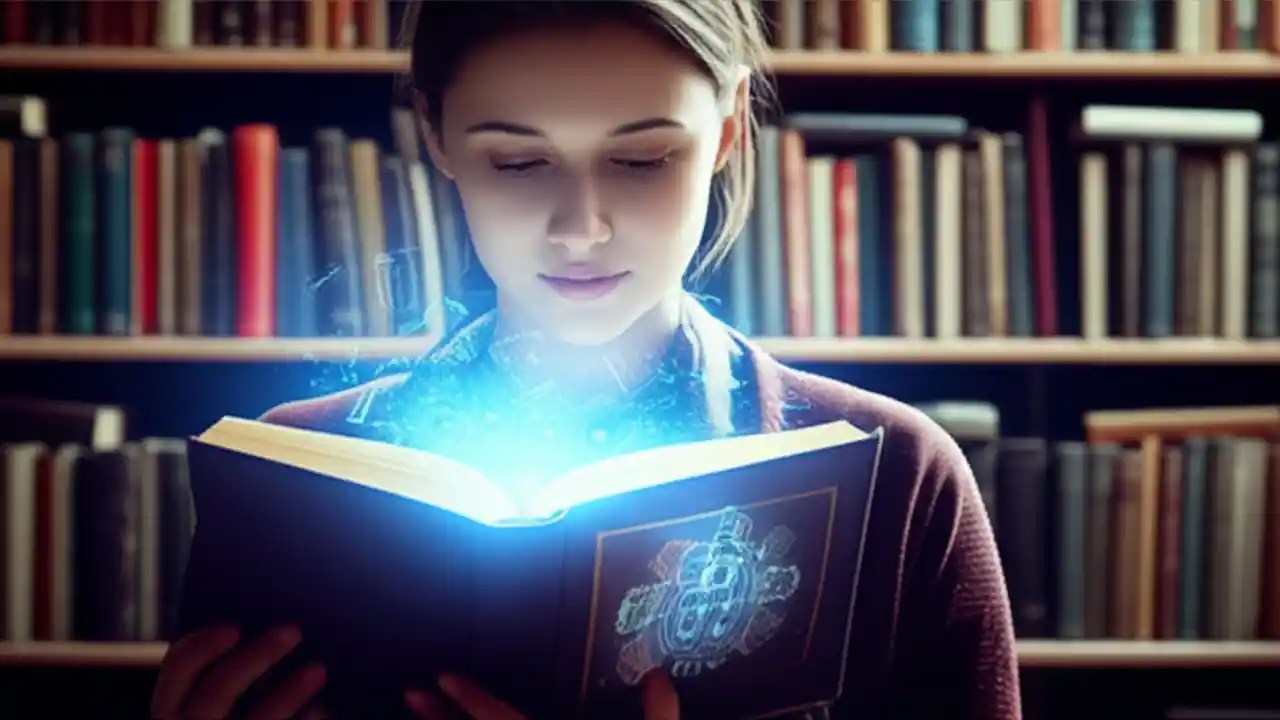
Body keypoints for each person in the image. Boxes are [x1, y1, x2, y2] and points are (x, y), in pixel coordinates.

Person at [150, 1, 1021, 718]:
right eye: (519, 162)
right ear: (437, 134)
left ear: (724, 133)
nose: (580, 228)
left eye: (642, 159)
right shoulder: (295, 477)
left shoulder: (898, 476)